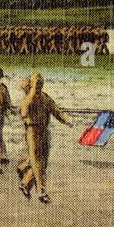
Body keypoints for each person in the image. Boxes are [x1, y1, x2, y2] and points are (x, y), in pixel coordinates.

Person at [17, 73, 71, 204]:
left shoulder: (45, 98)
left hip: (44, 132)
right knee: (37, 163)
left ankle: (24, 182)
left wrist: (66, 120)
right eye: (36, 83)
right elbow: (23, 115)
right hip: (33, 132)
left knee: (43, 164)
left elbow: (56, 110)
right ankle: (42, 192)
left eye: (41, 83)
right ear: (32, 84)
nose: (39, 86)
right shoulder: (27, 100)